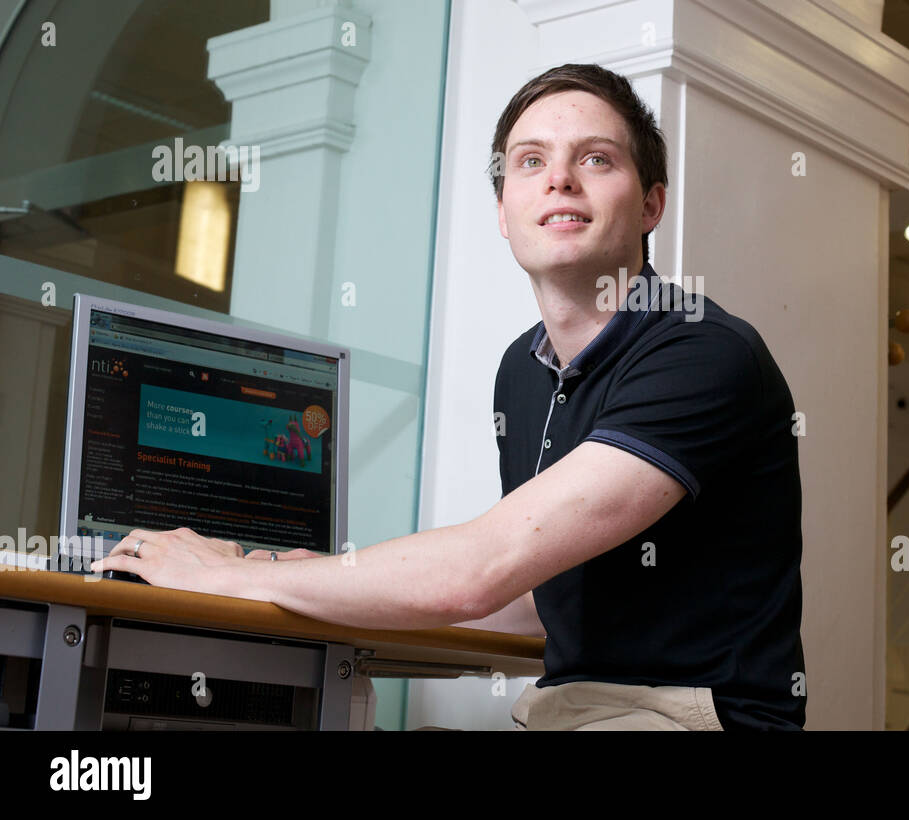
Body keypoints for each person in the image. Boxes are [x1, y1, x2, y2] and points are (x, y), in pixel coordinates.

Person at [93, 63, 807, 731]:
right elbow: (533, 599)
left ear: (651, 204)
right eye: (530, 162)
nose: (559, 179)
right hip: (575, 710)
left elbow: (480, 570)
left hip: (691, 718)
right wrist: (282, 574)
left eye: (595, 158)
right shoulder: (522, 371)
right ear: (503, 209)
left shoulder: (701, 353)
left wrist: (222, 580)